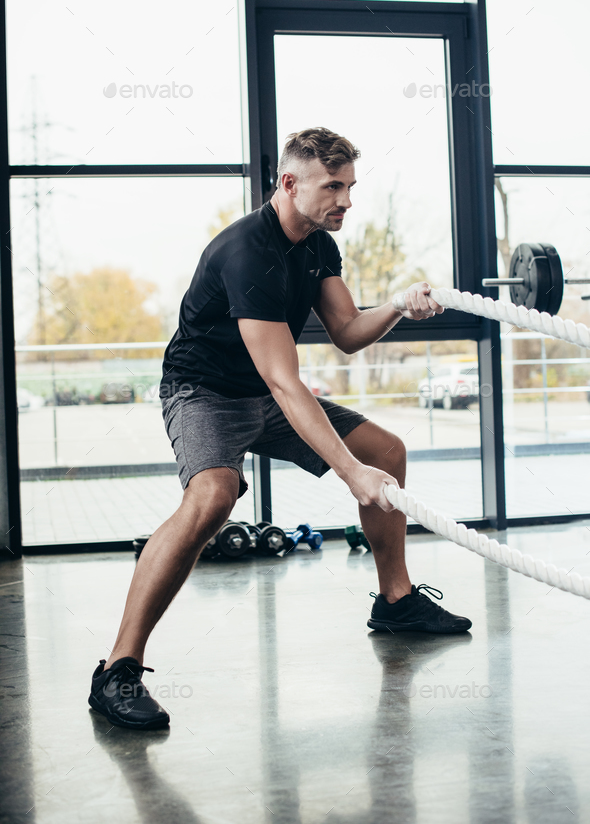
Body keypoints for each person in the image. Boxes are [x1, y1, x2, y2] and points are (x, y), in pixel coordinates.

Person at [88, 127, 472, 731]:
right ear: (290, 183)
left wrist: (397, 304)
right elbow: (286, 381)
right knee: (212, 496)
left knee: (387, 449)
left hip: (266, 391)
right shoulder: (248, 251)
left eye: (348, 186)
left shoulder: (318, 243)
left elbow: (345, 331)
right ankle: (117, 669)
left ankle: (396, 602)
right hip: (205, 391)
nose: (345, 200)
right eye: (332, 187)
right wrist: (351, 475)